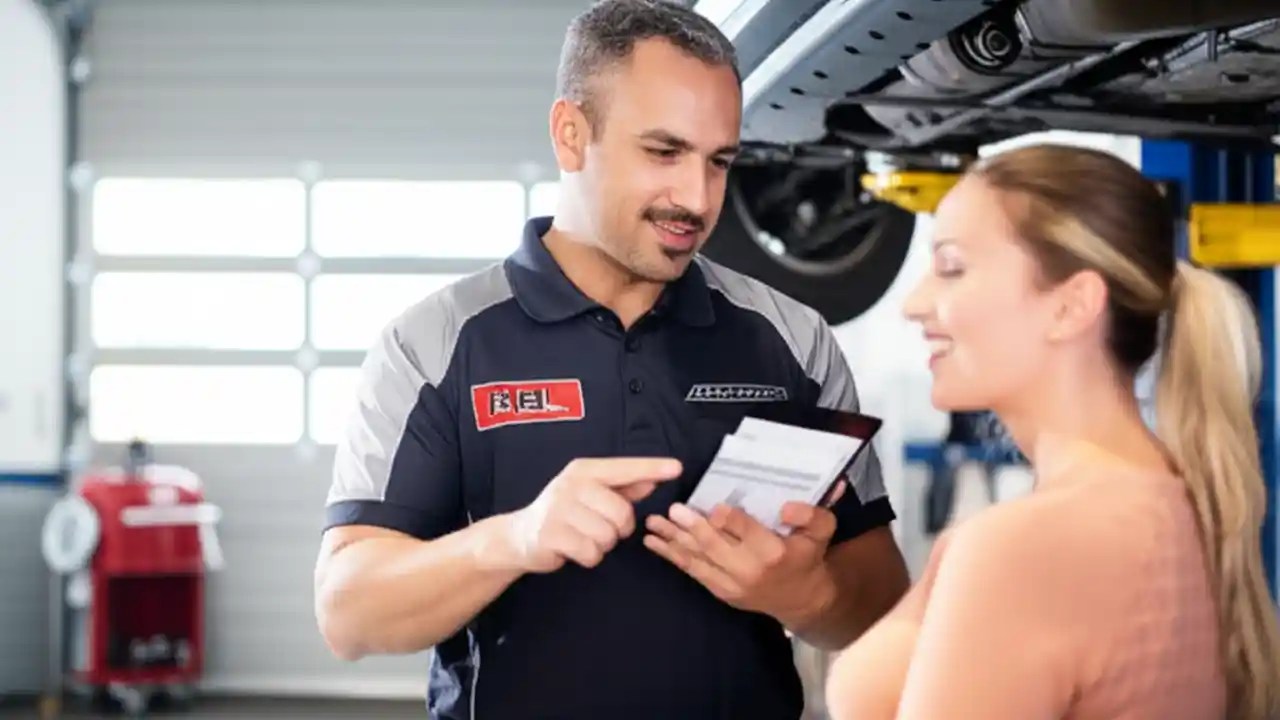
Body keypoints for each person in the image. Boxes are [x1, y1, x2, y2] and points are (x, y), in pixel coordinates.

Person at [312, 1, 909, 718]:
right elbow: (348, 615)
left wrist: (805, 594)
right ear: (571, 134)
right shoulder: (434, 344)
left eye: (719, 161)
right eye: (664, 152)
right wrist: (514, 538)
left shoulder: (795, 339)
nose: (696, 198)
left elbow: (882, 604)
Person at [825, 143, 1280, 720]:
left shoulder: (1028, 546)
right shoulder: (1183, 500)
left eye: (952, 268)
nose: (914, 304)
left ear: (1071, 307)